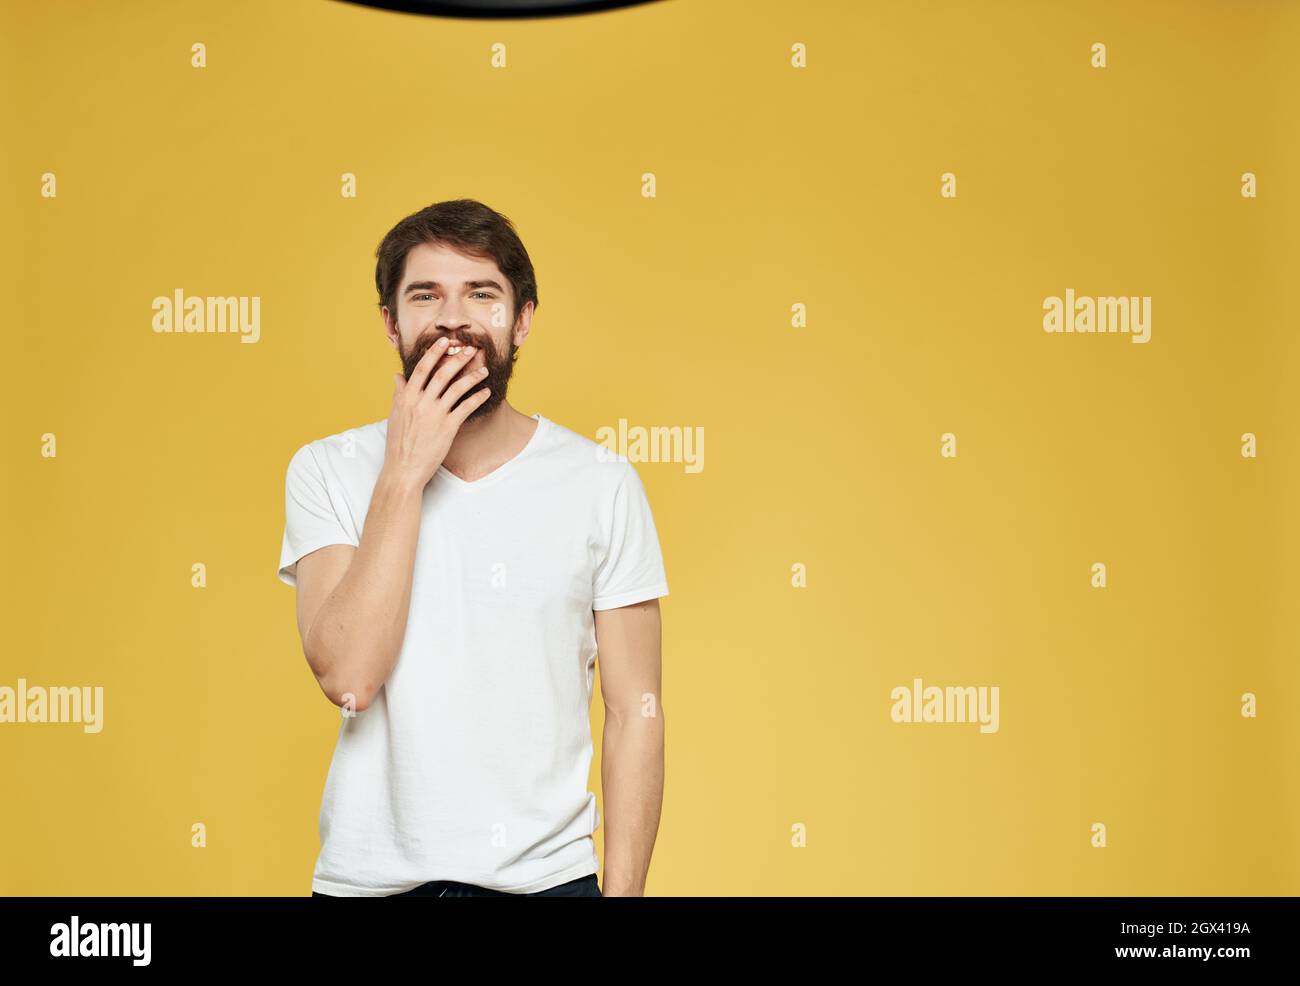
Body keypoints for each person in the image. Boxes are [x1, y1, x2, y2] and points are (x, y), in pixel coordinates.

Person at [278, 199, 669, 897]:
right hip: (369, 887)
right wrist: (404, 471)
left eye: (481, 293)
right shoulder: (327, 468)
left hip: (547, 883)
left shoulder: (602, 483)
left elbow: (634, 710)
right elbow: (349, 678)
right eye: (426, 295)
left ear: (519, 321)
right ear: (392, 323)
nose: (453, 318)